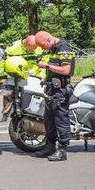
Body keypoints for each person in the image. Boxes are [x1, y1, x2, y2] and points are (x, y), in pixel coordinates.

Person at [34, 30, 76, 162]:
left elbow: (66, 70)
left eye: (42, 45)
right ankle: (50, 147)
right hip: (52, 89)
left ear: (48, 39)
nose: (42, 48)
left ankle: (62, 150)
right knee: (49, 120)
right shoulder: (52, 49)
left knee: (61, 120)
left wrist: (47, 65)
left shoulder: (63, 48)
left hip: (60, 90)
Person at [0, 35, 44, 121]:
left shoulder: (38, 48)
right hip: (15, 75)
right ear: (25, 43)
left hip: (32, 76)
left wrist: (41, 76)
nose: (34, 49)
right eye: (32, 47)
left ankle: (33, 113)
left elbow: (42, 63)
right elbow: (3, 63)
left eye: (35, 47)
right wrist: (3, 76)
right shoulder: (13, 48)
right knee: (8, 92)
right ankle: (6, 113)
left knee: (32, 95)